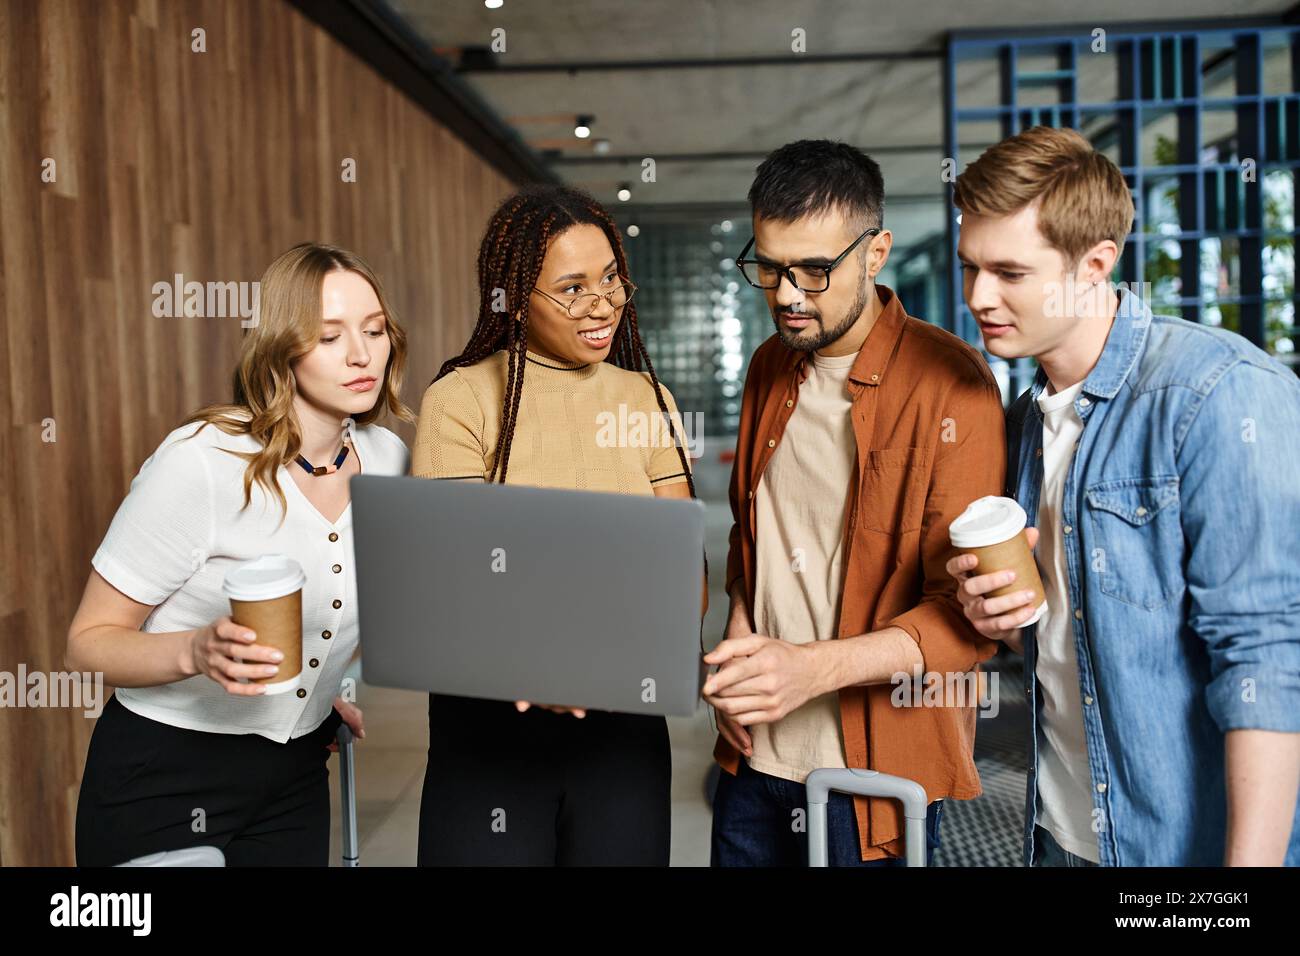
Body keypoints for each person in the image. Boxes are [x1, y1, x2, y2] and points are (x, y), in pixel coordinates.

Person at [948, 125, 1300, 866]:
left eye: (1009, 272)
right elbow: (1064, 638)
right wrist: (998, 617)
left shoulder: (1216, 394)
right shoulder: (1022, 423)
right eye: (970, 267)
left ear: (1096, 264)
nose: (979, 296)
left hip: (1183, 852)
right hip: (1059, 834)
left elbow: (1267, 663)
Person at [705, 140, 1007, 866]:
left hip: (873, 777)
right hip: (752, 763)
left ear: (876, 253)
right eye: (771, 268)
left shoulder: (953, 385)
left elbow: (964, 623)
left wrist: (808, 669)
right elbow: (754, 537)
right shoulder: (769, 366)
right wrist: (739, 653)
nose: (787, 294)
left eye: (814, 270)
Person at [69, 243, 412, 866]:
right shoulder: (201, 462)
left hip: (295, 775)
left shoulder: (390, 461)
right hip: (163, 775)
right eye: (329, 337)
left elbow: (339, 602)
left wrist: (314, 684)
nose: (362, 355)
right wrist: (193, 650)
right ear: (283, 347)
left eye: (374, 330)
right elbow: (88, 643)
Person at [412, 184, 701, 866]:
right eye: (571, 287)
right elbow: (453, 580)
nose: (602, 304)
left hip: (622, 722)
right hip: (489, 723)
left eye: (610, 279)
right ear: (513, 295)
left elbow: (683, 574)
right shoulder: (460, 399)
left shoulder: (645, 397)